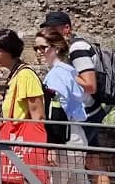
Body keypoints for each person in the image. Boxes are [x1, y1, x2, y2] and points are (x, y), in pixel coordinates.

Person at [40, 11, 111, 183]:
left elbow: (90, 84)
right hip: (91, 113)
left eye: (54, 29)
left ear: (66, 29)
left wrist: (64, 74)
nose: (51, 33)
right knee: (92, 164)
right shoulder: (72, 48)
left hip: (85, 116)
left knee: (65, 169)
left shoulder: (77, 48)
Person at [35, 27, 88, 184]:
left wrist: (52, 146)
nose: (39, 52)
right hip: (77, 134)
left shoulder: (55, 74)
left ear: (56, 48)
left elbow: (57, 111)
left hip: (64, 139)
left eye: (43, 48)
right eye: (36, 48)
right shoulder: (69, 70)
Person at [0, 28, 46, 122]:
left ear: (10, 50)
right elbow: (11, 109)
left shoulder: (25, 76)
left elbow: (38, 117)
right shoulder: (15, 74)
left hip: (23, 135)